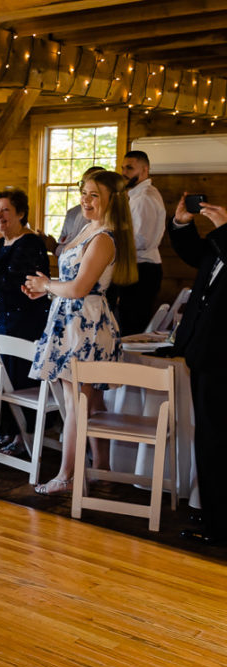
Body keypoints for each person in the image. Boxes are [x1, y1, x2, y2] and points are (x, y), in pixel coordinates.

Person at [23, 171, 138, 496]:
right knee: (90, 400)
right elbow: (69, 284)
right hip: (69, 317)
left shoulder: (104, 238)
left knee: (77, 404)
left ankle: (67, 476)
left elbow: (80, 286)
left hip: (84, 323)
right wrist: (46, 290)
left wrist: (48, 285)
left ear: (111, 201)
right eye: (84, 193)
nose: (84, 201)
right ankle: (100, 467)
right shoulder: (89, 228)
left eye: (93, 196)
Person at [0, 188, 50, 452]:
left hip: (20, 324)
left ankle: (20, 434)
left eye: (5, 210)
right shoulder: (0, 243)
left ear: (21, 213)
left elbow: (12, 285)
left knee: (15, 380)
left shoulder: (29, 243)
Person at [168, 195, 227, 546]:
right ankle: (215, 521)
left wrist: (225, 229)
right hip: (203, 354)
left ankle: (220, 527)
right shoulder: (220, 244)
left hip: (223, 358)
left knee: (219, 442)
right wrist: (181, 222)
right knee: (209, 441)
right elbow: (195, 254)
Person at [108, 150, 165, 334]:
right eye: (123, 167)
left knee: (132, 328)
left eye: (130, 168)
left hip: (142, 269)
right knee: (128, 322)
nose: (124, 172)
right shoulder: (136, 195)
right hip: (137, 267)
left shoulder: (144, 198)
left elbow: (141, 240)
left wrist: (110, 242)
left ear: (145, 169)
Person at [55, 166, 105, 257]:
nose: (86, 199)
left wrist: (54, 247)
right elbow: (66, 244)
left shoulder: (103, 236)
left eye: (93, 194)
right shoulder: (75, 214)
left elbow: (78, 256)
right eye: (84, 192)